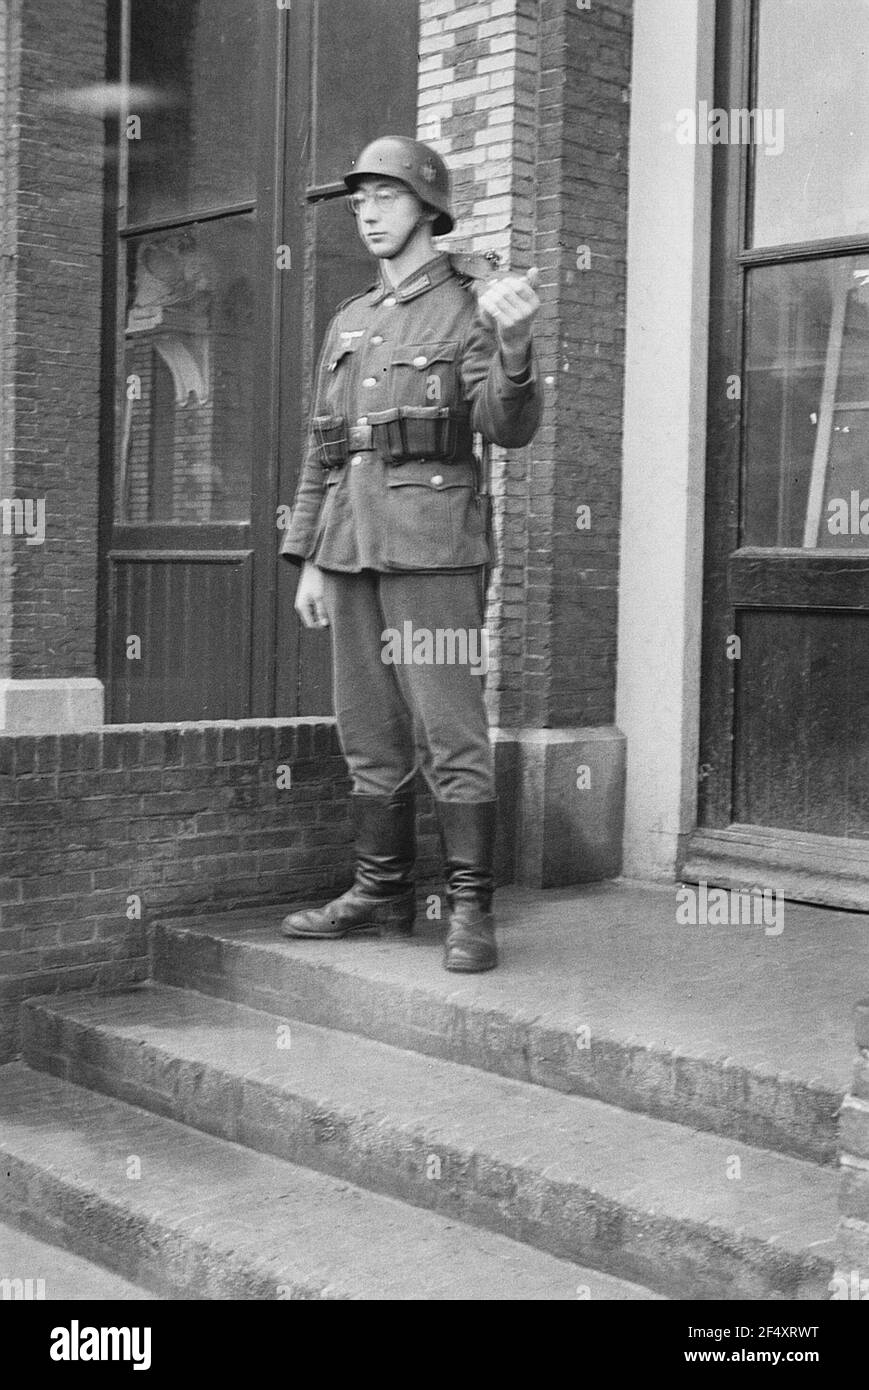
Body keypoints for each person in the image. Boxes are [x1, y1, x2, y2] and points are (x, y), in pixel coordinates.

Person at [278, 135, 542, 972]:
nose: (367, 212)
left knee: (450, 729)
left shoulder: (471, 307)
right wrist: (311, 557)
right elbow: (325, 448)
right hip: (351, 551)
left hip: (435, 552)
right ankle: (381, 890)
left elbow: (508, 428)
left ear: (429, 207)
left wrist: (515, 348)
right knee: (369, 731)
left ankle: (470, 907)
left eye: (384, 197)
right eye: (359, 200)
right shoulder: (350, 320)